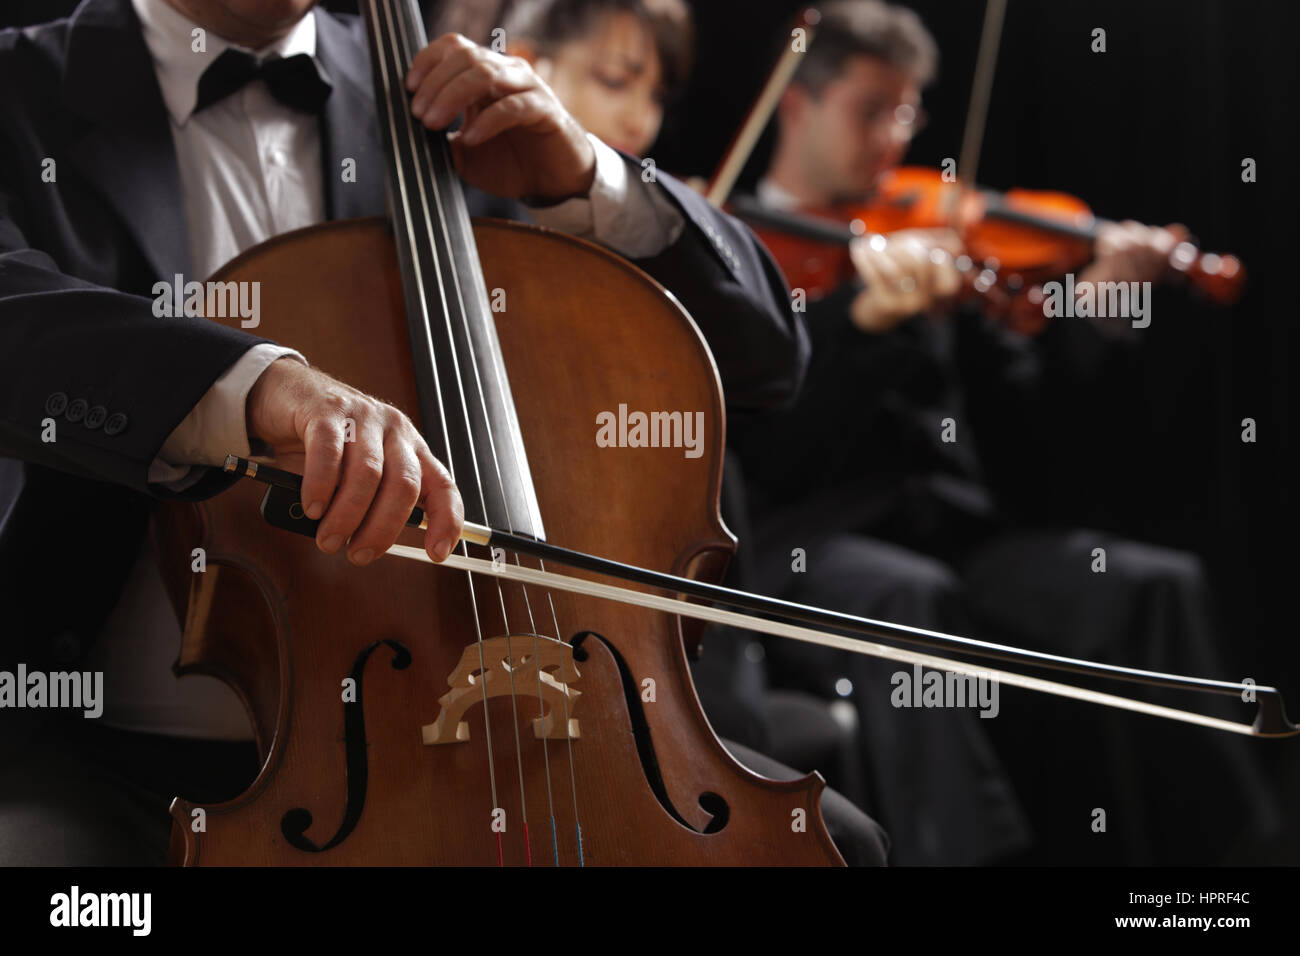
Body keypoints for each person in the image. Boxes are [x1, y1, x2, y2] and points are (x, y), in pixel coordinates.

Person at [0, 0, 885, 865]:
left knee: (832, 844)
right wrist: (258, 386)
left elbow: (768, 359)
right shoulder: (21, 88)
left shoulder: (435, 97)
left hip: (461, 735)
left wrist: (589, 181)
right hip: (109, 753)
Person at [728, 0, 1278, 864]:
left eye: (906, 114)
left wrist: (1094, 314)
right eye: (870, 111)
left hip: (957, 539)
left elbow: (1032, 422)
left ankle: (1230, 857)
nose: (892, 140)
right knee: (911, 601)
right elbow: (769, 450)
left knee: (1146, 585)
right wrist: (860, 326)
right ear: (798, 102)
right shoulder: (740, 247)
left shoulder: (941, 235)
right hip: (815, 545)